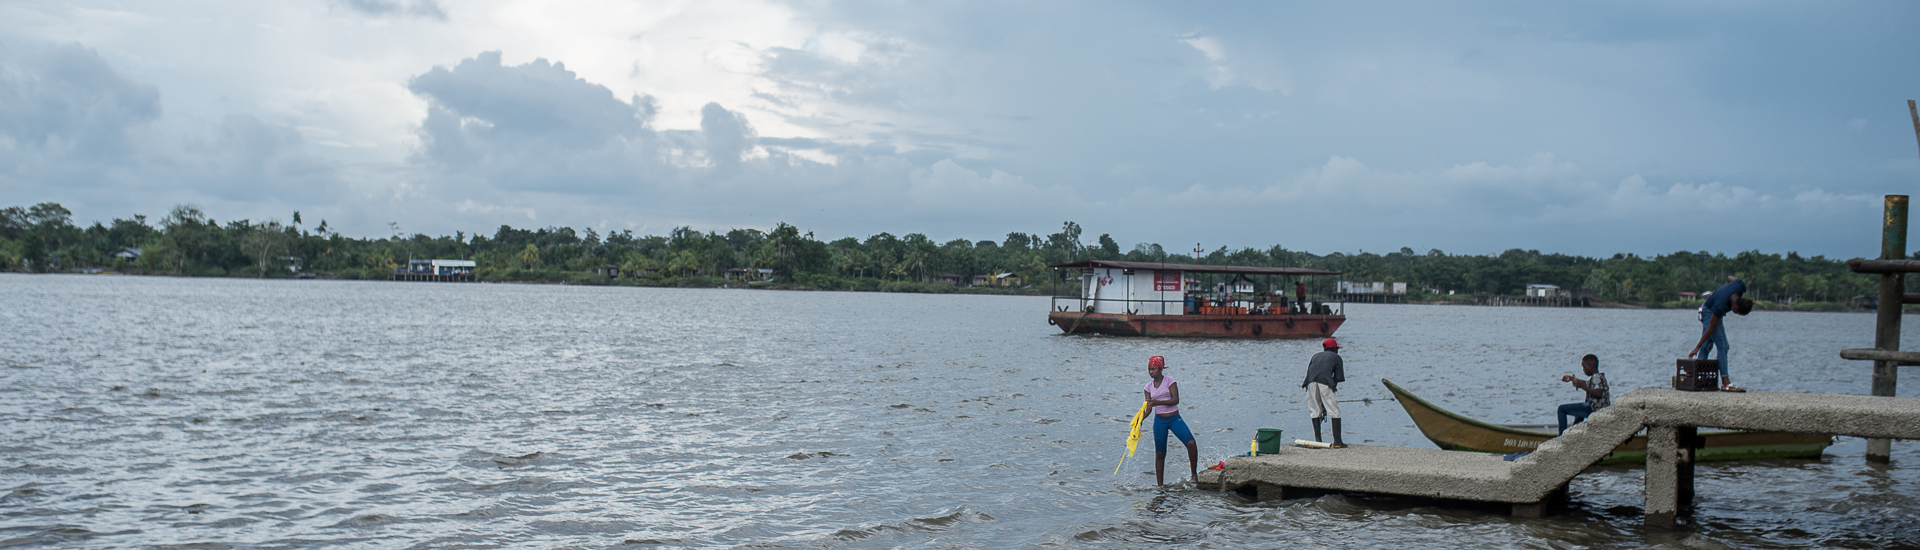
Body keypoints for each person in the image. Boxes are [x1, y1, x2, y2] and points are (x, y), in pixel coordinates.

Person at [1689, 276, 1755, 392]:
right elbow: (1711, 328)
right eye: (1737, 313)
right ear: (1735, 307)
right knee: (1723, 346)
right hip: (1708, 312)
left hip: (1708, 308)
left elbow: (1730, 278)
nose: (1735, 314)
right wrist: (1697, 347)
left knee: (1707, 346)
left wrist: (1725, 288)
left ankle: (1696, 377)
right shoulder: (1721, 304)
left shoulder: (1740, 286)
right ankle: (1726, 383)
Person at [1142, 355, 1199, 485]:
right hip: (1160, 422)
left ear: (1161, 369)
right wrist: (1140, 420)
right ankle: (1160, 486)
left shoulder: (1169, 381)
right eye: (1149, 369)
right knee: (1160, 454)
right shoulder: (1148, 387)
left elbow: (1175, 400)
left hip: (1174, 419)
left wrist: (1157, 402)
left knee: (1191, 444)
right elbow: (1148, 408)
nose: (1151, 372)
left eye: (1153, 369)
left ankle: (1194, 474)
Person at [1301, 338, 1347, 448]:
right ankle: (1337, 442)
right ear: (1335, 349)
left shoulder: (1315, 356)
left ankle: (1318, 441)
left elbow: (1310, 372)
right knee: (1334, 410)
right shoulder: (1336, 357)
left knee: (1315, 410)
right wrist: (1332, 388)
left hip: (1310, 382)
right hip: (1325, 382)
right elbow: (1338, 377)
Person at [1556, 354, 1610, 434]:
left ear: (1590, 367)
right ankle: (1572, 434)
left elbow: (1599, 393)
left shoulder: (1597, 378)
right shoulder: (1599, 377)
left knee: (1561, 409)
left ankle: (1562, 436)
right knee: (1579, 413)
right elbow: (1587, 384)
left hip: (1594, 408)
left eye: (1584, 367)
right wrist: (1572, 379)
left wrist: (1581, 386)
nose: (1583, 369)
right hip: (1595, 407)